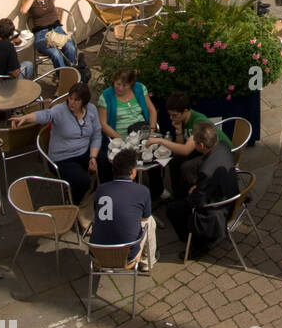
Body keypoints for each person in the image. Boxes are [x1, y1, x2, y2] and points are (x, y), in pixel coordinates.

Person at [14, 82, 100, 205]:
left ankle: (101, 190)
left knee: (107, 157)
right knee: (83, 181)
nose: (72, 102)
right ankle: (73, 203)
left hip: (84, 151)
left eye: (76, 100)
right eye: (70, 98)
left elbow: (96, 134)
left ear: (84, 102)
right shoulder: (59, 111)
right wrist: (26, 118)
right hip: (64, 157)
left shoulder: (91, 109)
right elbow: (45, 115)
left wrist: (93, 157)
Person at [165, 122, 239, 259]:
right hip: (231, 195)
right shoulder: (223, 146)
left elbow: (197, 201)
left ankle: (197, 243)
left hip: (219, 208)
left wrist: (194, 191)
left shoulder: (206, 171)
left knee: (173, 209)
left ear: (201, 146)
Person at [151, 93, 231, 199]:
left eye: (174, 115)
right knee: (174, 160)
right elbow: (181, 147)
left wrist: (160, 141)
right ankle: (178, 196)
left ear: (185, 111)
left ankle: (196, 195)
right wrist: (179, 131)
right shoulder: (182, 119)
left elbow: (185, 150)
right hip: (203, 150)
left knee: (187, 167)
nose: (171, 118)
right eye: (170, 115)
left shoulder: (198, 121)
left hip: (221, 154)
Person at [91, 148, 158, 271]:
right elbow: (145, 217)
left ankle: (107, 265)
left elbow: (96, 213)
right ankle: (146, 263)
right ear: (133, 171)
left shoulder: (100, 189)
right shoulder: (142, 191)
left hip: (98, 253)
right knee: (150, 221)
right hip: (126, 255)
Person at [97, 66, 159, 182]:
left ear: (131, 84)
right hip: (121, 137)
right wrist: (121, 138)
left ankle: (157, 190)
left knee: (154, 154)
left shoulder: (139, 89)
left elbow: (152, 111)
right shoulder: (106, 97)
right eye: (117, 84)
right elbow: (103, 124)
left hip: (143, 133)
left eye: (124, 85)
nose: (120, 88)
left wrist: (152, 131)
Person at [21, 0, 78, 69]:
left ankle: (71, 75)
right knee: (55, 54)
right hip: (41, 35)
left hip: (57, 30)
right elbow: (24, 10)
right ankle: (62, 78)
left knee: (71, 48)